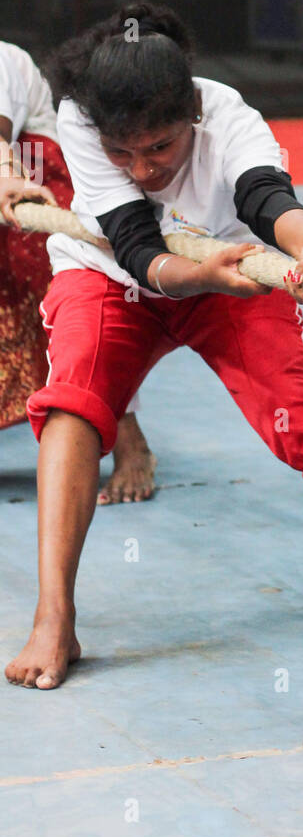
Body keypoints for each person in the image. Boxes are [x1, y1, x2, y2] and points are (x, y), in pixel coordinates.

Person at [5, 3, 303, 691]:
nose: (143, 169)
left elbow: (267, 197)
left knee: (299, 424)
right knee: (70, 408)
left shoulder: (230, 117)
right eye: (123, 153)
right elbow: (135, 245)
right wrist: (195, 274)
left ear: (191, 116)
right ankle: (54, 614)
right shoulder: (79, 114)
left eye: (159, 148)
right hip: (109, 272)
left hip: (231, 274)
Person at [0, 39, 155, 503]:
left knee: (72, 316)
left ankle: (131, 446)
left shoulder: (2, 59)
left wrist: (8, 178)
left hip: (32, 201)